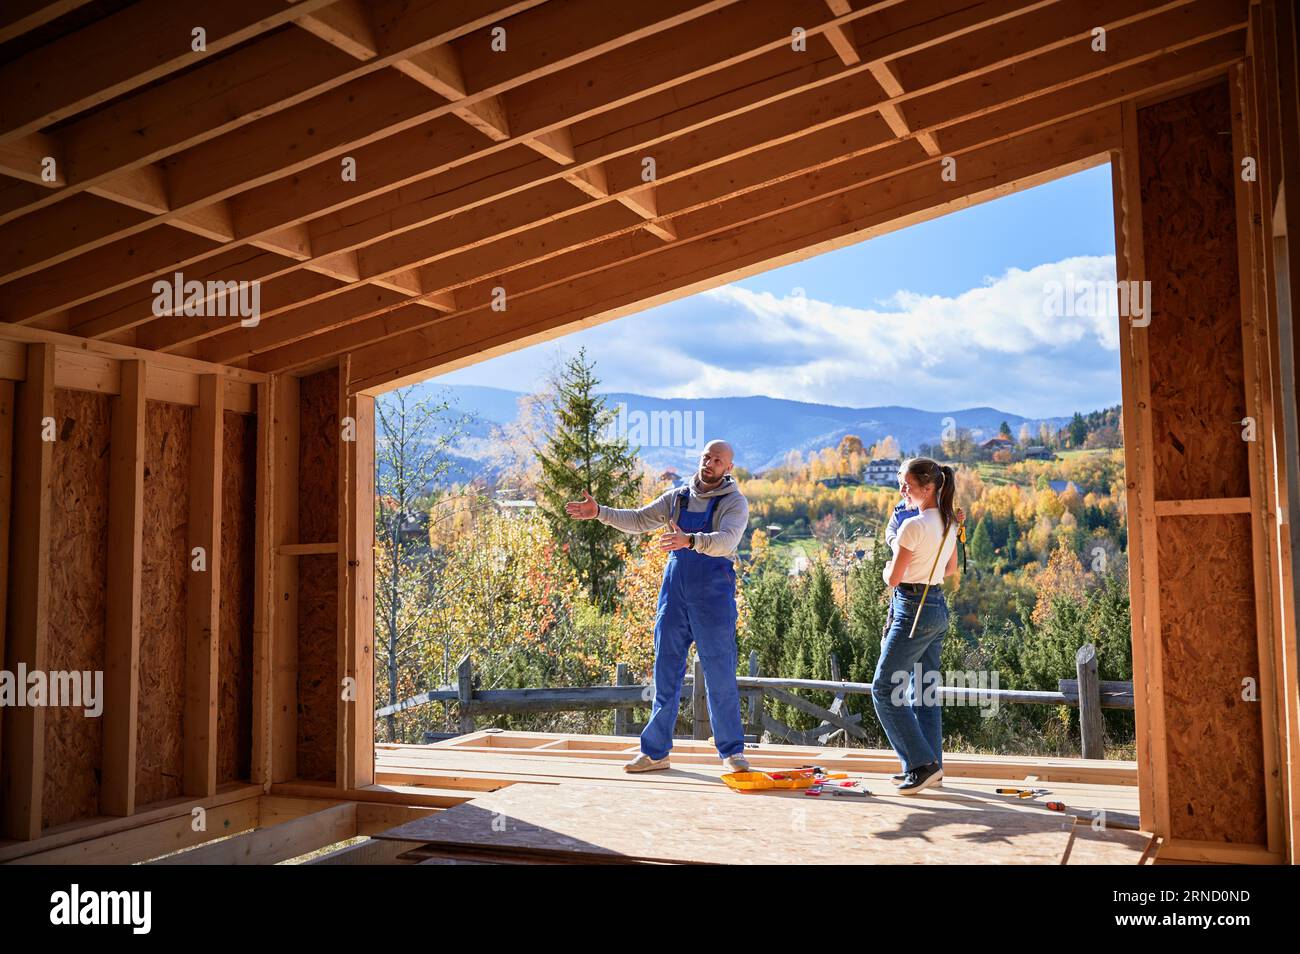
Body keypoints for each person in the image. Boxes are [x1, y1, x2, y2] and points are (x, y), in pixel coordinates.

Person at [565, 440, 751, 774]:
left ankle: (732, 752)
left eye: (718, 460)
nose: (710, 463)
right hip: (675, 597)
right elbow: (638, 519)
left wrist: (691, 541)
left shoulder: (734, 502)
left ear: (728, 468)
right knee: (665, 675)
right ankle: (655, 752)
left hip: (713, 599)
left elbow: (727, 540)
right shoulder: (678, 498)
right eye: (707, 456)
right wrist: (600, 513)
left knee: (720, 675)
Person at [872, 457, 961, 795]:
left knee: (883, 689)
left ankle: (920, 765)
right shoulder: (950, 523)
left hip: (912, 609)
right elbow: (951, 569)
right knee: (923, 692)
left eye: (907, 485)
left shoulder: (913, 527)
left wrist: (893, 549)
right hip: (936, 607)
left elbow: (893, 578)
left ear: (929, 487)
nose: (902, 490)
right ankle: (931, 766)